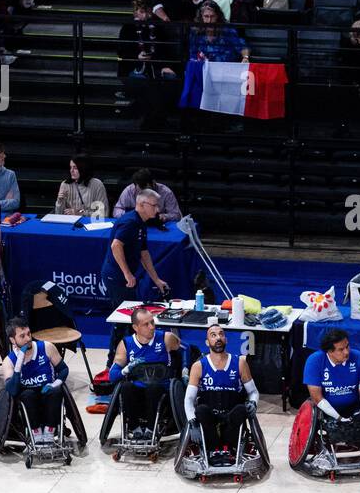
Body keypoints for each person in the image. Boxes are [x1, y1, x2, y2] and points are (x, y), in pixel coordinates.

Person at [101, 189, 172, 368]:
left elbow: (144, 253)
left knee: (132, 319)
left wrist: (156, 279)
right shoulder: (130, 222)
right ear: (142, 205)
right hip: (116, 277)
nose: (157, 210)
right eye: (154, 206)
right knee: (123, 321)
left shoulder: (141, 223)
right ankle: (112, 364)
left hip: (126, 277)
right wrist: (127, 273)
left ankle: (129, 359)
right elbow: (116, 246)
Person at [185, 324, 259, 465]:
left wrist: (253, 402)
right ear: (207, 342)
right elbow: (189, 399)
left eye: (221, 334)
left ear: (226, 339)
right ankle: (213, 449)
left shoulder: (240, 363)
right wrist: (192, 422)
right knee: (200, 410)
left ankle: (229, 449)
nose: (218, 337)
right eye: (213, 335)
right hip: (209, 414)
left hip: (231, 412)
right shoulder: (198, 366)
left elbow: (253, 392)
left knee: (241, 410)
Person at [108, 306, 182, 440]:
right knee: (126, 387)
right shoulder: (126, 344)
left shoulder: (166, 338)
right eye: (146, 324)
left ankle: (150, 428)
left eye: (152, 322)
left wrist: (186, 369)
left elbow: (186, 349)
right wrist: (127, 368)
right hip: (138, 388)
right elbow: (112, 376)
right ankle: (134, 427)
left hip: (160, 388)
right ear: (135, 327)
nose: (152, 327)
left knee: (153, 388)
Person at [1, 316, 69, 445]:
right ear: (12, 340)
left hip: (48, 392)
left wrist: (55, 384)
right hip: (28, 397)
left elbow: (64, 370)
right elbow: (12, 390)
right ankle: (35, 432)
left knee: (55, 391)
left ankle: (50, 431)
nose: (28, 339)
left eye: (28, 333)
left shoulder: (47, 347)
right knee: (27, 395)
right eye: (22, 336)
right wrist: (19, 362)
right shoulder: (8, 361)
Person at [117, 0, 178, 124]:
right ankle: (156, 121)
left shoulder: (158, 26)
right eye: (142, 12)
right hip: (133, 69)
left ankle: (152, 120)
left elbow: (166, 49)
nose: (145, 16)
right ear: (135, 11)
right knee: (147, 84)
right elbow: (122, 51)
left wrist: (165, 66)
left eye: (148, 12)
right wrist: (136, 56)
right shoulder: (128, 27)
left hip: (156, 68)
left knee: (170, 80)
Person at [303, 329, 360, 441]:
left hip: (354, 407)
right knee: (335, 433)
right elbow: (316, 397)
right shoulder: (314, 361)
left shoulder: (359, 357)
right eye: (341, 349)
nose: (347, 352)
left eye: (347, 346)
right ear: (330, 352)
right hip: (327, 409)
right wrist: (338, 418)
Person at [113, 168, 182, 222]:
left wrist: (165, 216)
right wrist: (131, 215)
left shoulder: (166, 192)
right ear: (135, 186)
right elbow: (117, 210)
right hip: (134, 225)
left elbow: (176, 215)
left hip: (158, 227)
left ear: (154, 183)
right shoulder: (129, 191)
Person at [53, 153, 108, 217]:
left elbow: (103, 214)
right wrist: (60, 201)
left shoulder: (97, 185)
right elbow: (58, 215)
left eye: (75, 168)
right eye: (71, 167)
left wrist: (80, 212)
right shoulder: (65, 184)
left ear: (84, 168)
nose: (71, 171)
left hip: (90, 223)